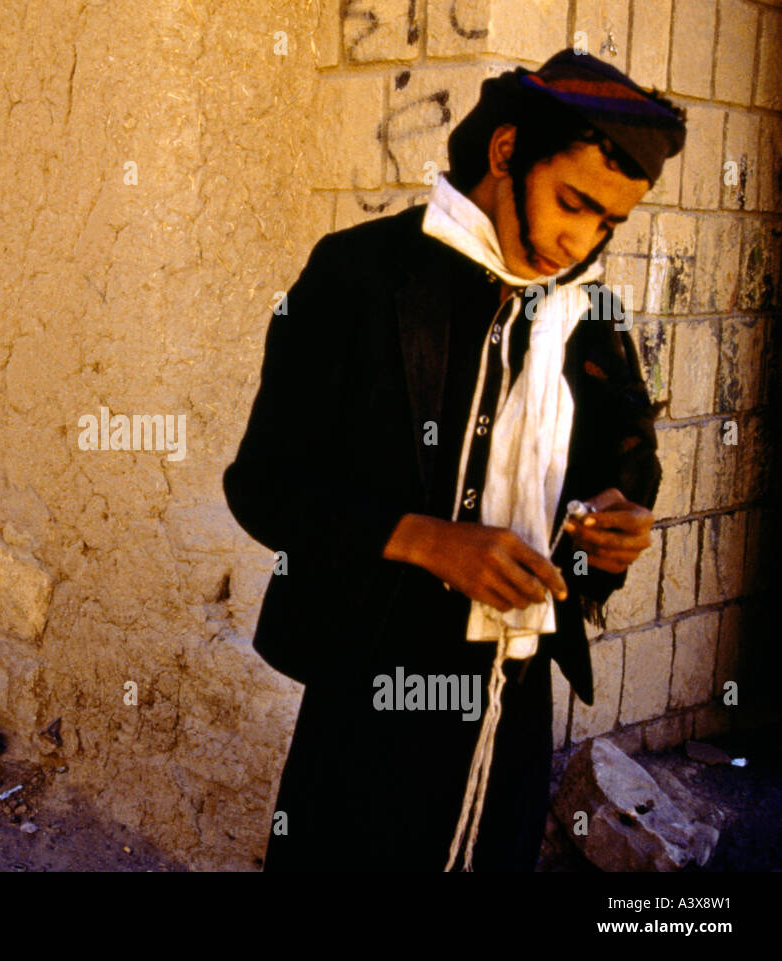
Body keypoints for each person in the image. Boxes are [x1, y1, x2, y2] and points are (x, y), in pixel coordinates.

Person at [224, 51, 687, 871]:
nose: (580, 240)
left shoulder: (586, 312)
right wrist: (424, 539)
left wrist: (618, 514)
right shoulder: (360, 275)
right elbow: (263, 484)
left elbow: (629, 447)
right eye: (573, 203)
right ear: (507, 151)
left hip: (516, 688)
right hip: (371, 681)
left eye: (608, 224)